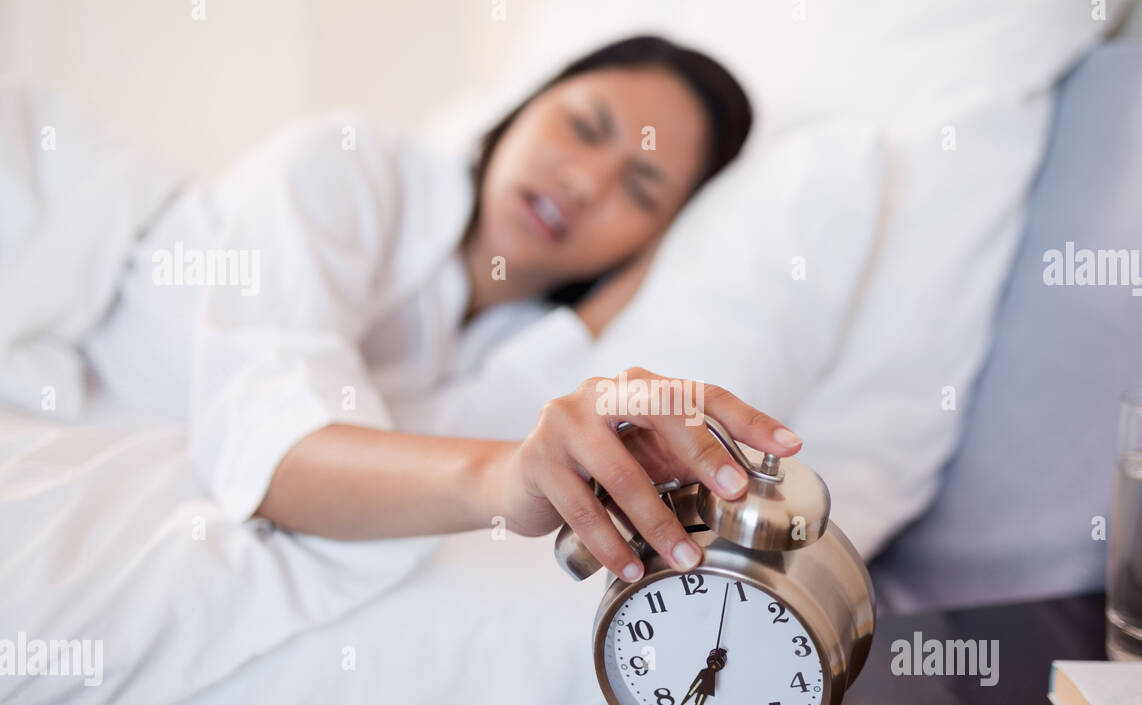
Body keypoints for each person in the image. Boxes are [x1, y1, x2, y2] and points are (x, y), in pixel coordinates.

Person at [71, 35, 805, 584]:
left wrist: (597, 315)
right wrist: (506, 478)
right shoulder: (347, 168)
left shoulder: (529, 346)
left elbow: (398, 467)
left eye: (641, 191)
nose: (584, 183)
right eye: (583, 126)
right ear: (523, 106)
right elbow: (277, 459)